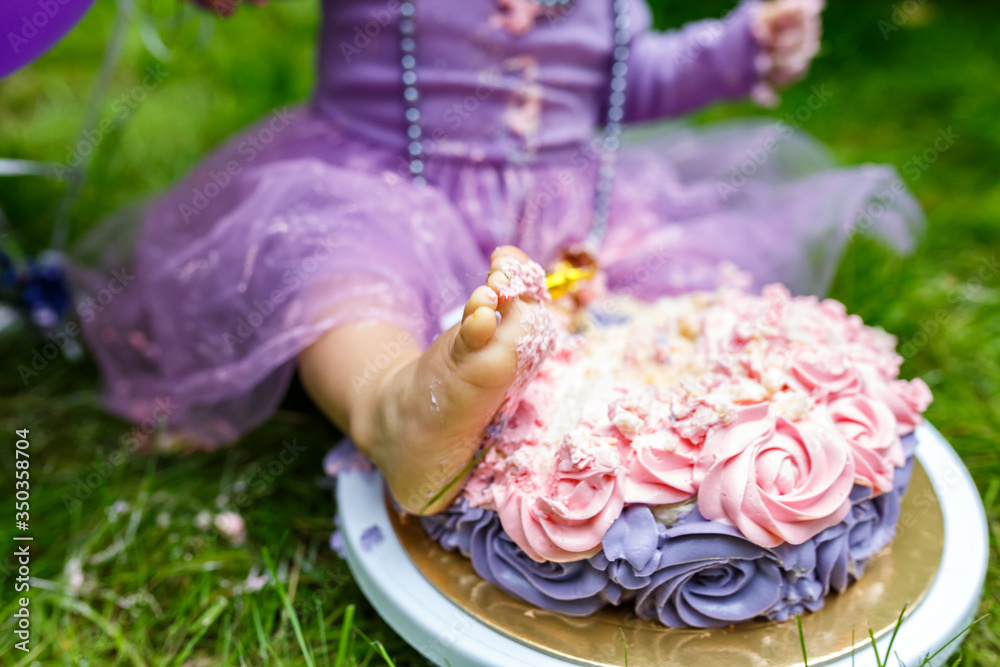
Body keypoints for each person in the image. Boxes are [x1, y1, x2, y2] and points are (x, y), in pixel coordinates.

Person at [69, 0, 923, 513]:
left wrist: (739, 50)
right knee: (335, 271)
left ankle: (618, 430)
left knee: (656, 291)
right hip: (377, 183)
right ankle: (396, 408)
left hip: (560, 215)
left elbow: (628, 81)